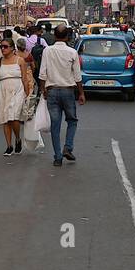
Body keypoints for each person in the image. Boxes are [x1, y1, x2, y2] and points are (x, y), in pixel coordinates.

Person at [40, 25, 85, 167]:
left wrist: (43, 90)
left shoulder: (47, 50)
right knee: (72, 120)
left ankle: (58, 157)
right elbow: (77, 76)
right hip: (68, 91)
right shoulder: (72, 52)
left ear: (54, 36)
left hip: (52, 91)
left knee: (55, 124)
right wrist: (82, 93)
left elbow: (42, 73)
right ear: (67, 37)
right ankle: (68, 147)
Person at [0, 36, 34, 156]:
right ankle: (9, 146)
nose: (3, 49)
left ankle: (17, 138)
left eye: (5, 46)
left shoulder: (20, 61)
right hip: (4, 89)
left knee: (14, 117)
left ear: (12, 48)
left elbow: (24, 79)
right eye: (1, 46)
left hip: (17, 89)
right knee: (5, 119)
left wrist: (28, 96)